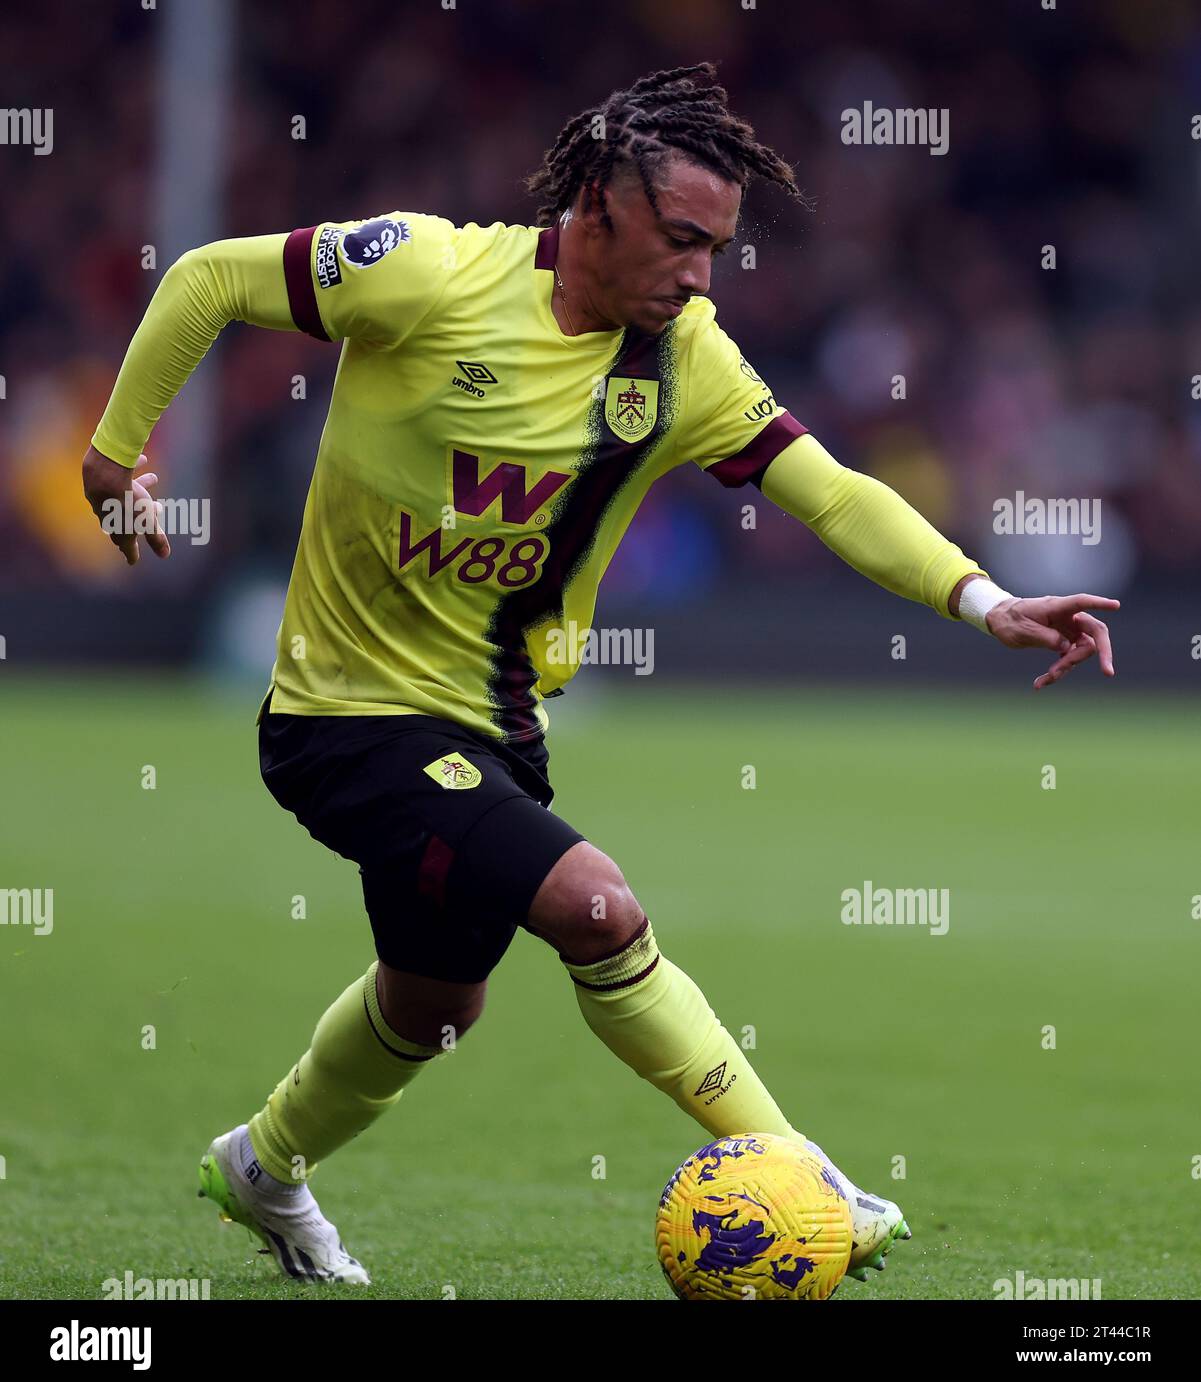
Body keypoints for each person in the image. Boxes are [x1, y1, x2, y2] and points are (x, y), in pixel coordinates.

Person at [82, 63, 1118, 1289]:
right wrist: (113, 457)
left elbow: (827, 489)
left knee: (432, 1010)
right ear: (593, 210)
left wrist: (983, 598)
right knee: (595, 908)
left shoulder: (684, 359)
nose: (699, 275)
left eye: (719, 249)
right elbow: (207, 277)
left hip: (497, 726)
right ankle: (807, 1176)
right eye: (681, 240)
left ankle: (261, 1166)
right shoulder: (422, 272)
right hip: (340, 714)